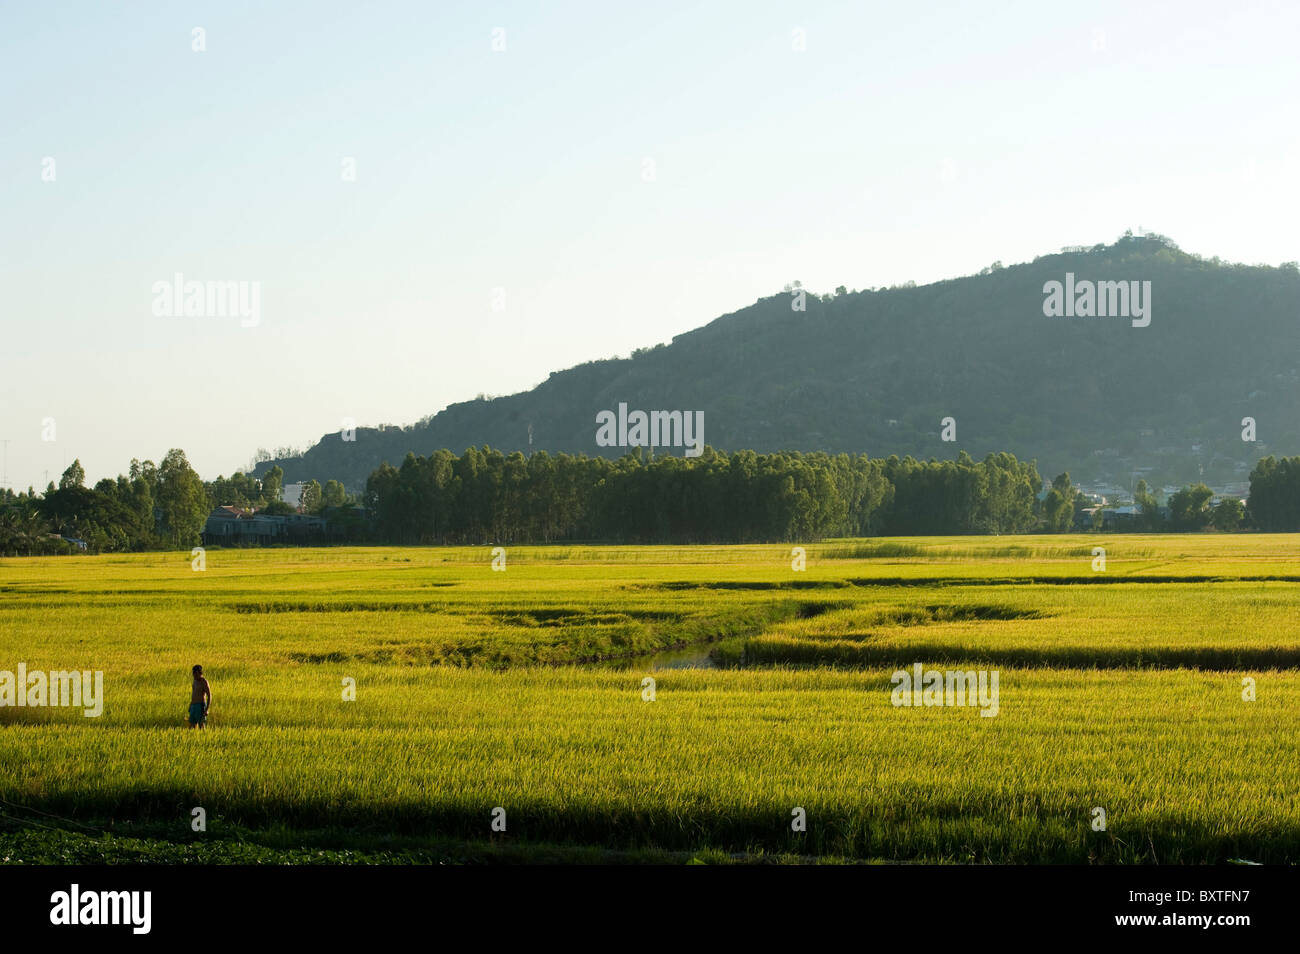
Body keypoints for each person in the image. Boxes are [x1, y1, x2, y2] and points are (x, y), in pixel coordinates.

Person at [188, 665, 211, 729]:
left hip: (200, 706)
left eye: (195, 673)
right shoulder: (195, 681)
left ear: (199, 673)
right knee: (191, 725)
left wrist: (206, 709)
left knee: (201, 725)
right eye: (193, 673)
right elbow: (194, 694)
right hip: (193, 706)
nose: (193, 675)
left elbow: (209, 696)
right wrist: (191, 705)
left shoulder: (204, 682)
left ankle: (203, 738)